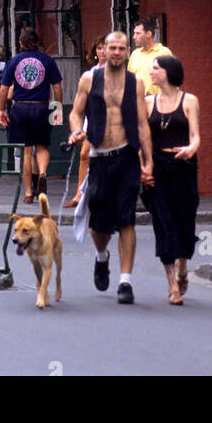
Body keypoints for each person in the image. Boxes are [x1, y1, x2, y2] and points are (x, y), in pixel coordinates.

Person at [68, 30, 153, 304]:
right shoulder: (89, 79)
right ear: (103, 49)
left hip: (126, 155)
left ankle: (125, 281)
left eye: (121, 48)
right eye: (112, 47)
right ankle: (102, 256)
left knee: (127, 219)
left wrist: (147, 159)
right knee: (99, 224)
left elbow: (142, 123)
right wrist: (76, 131)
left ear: (128, 51)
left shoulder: (136, 83)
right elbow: (75, 113)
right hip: (99, 156)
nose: (116, 52)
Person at [142, 54, 200, 305]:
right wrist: (144, 167)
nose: (152, 72)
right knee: (163, 223)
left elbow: (196, 136)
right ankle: (172, 284)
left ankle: (183, 266)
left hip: (183, 165)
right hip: (158, 168)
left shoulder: (189, 101)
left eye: (155, 69)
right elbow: (141, 139)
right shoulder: (146, 102)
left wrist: (190, 149)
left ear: (168, 72)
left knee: (185, 221)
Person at [0, 26, 63, 203]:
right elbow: (56, 86)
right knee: (42, 147)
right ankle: (42, 173)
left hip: (20, 108)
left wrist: (1, 109)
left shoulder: (14, 61)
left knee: (26, 151)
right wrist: (57, 108)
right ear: (37, 42)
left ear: (20, 43)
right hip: (41, 107)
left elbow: (4, 88)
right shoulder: (47, 60)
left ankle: (28, 193)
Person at [65, 35, 107, 209]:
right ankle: (79, 194)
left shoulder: (123, 75)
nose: (103, 51)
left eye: (106, 47)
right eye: (99, 48)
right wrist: (78, 129)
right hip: (93, 122)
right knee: (84, 155)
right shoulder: (89, 75)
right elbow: (78, 108)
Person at [127, 18, 172, 97]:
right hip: (138, 101)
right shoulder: (135, 54)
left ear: (148, 34)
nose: (134, 37)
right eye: (134, 33)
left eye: (138, 33)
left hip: (159, 101)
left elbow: (173, 79)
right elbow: (129, 81)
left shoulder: (164, 52)